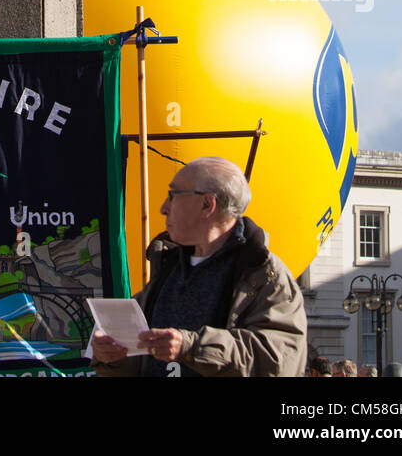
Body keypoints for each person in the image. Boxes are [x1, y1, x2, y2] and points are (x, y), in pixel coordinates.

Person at [92, 157, 307, 377]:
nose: (163, 208)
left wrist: (192, 347)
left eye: (172, 195)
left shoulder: (264, 274)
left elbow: (279, 361)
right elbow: (139, 361)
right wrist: (111, 357)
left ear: (207, 204)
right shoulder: (168, 268)